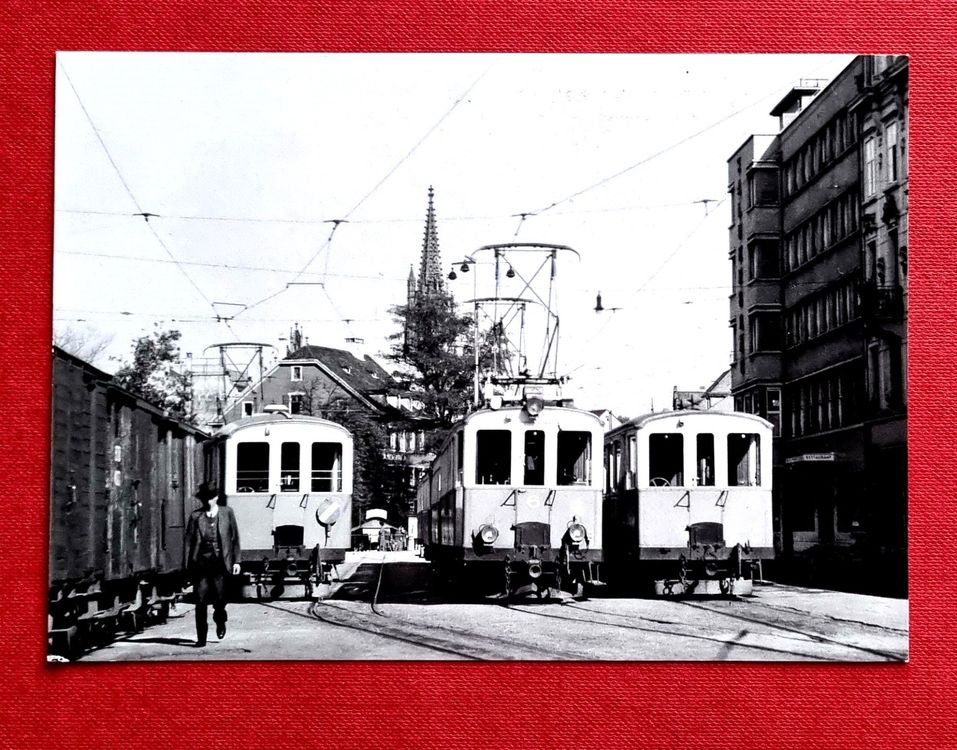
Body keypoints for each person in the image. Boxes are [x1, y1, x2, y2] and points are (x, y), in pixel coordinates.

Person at [185, 482, 241, 647]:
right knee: (200, 600)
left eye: (211, 498)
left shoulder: (227, 513)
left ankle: (220, 619)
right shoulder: (196, 516)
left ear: (216, 498)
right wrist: (187, 566)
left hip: (220, 563)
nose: (208, 502)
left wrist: (237, 561)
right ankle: (201, 637)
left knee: (220, 598)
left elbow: (235, 538)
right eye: (205, 499)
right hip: (201, 564)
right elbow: (188, 542)